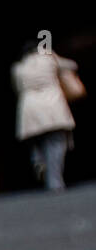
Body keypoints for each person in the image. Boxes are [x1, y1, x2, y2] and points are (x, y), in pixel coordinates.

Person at [13, 42, 82, 191]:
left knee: (37, 141)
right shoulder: (48, 59)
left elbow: (17, 88)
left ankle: (38, 160)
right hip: (52, 106)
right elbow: (72, 65)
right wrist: (52, 54)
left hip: (29, 107)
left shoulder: (18, 68)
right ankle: (55, 181)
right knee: (56, 143)